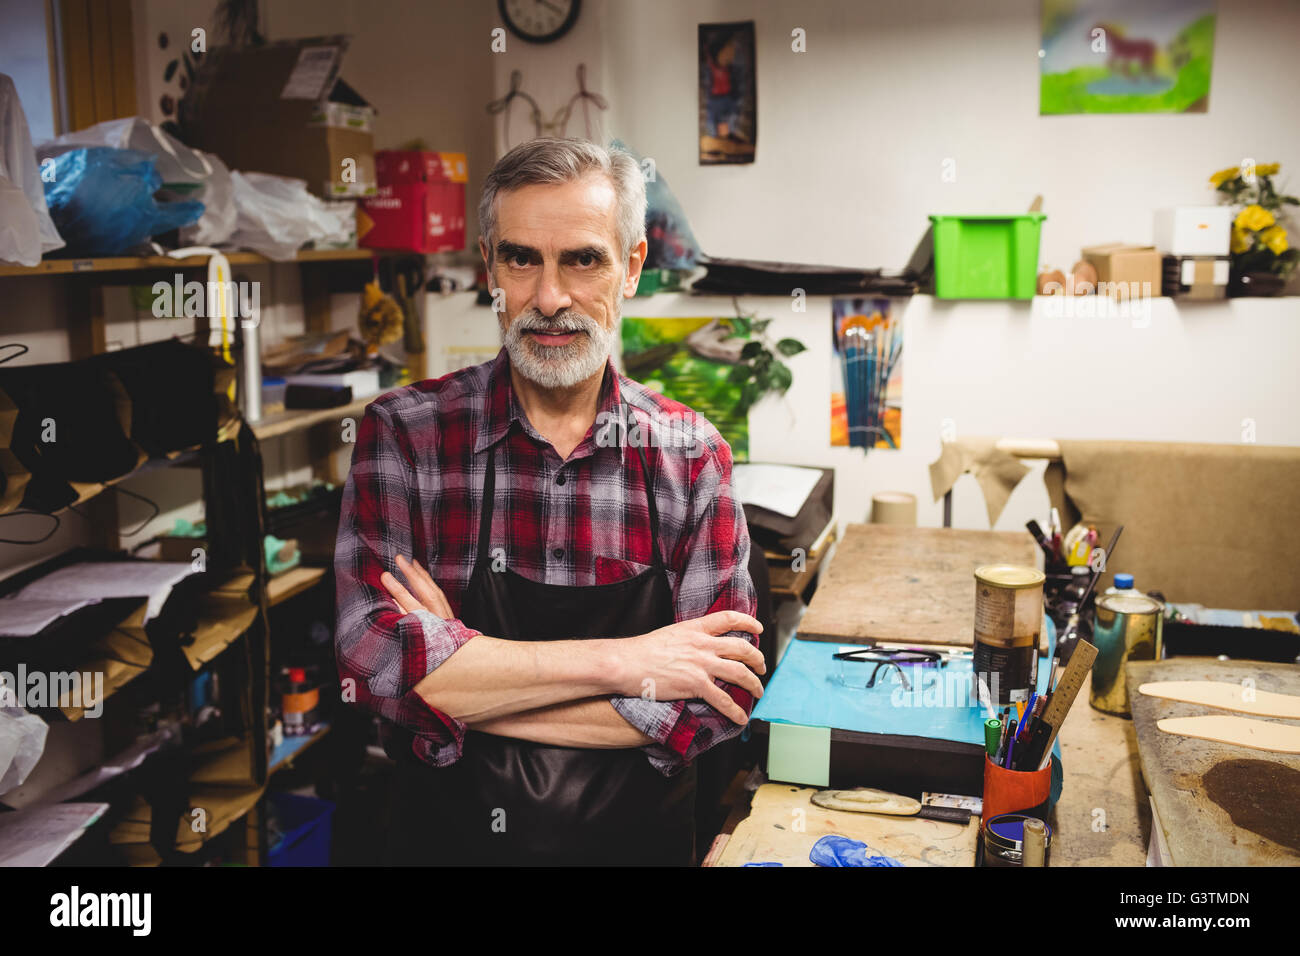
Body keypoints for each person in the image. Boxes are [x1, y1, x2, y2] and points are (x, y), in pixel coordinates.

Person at [333, 137, 764, 866]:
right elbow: (373, 665)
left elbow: (712, 704)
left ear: (631, 267)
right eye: (521, 258)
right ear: (489, 266)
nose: (550, 298)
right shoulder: (405, 436)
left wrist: (464, 677)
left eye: (583, 259)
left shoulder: (692, 456)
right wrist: (629, 662)